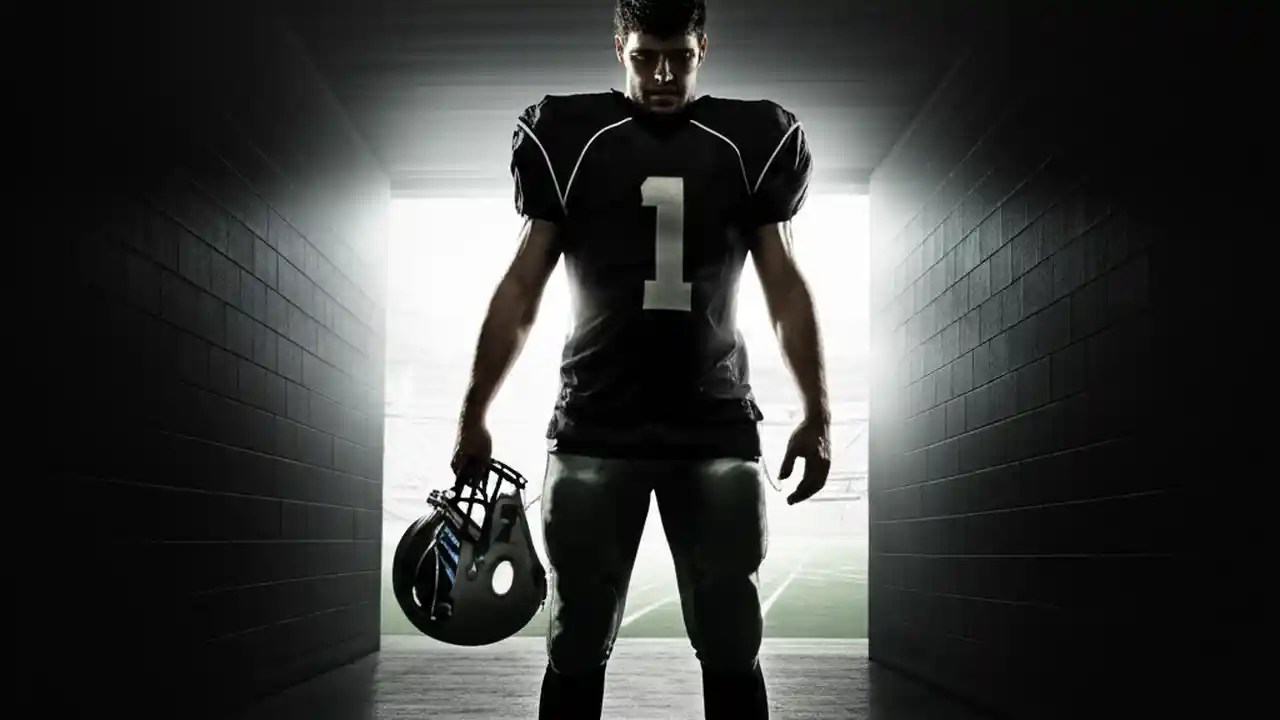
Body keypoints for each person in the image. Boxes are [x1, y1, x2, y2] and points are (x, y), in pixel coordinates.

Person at [450, 1, 831, 717]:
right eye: (645, 57)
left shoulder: (749, 141)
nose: (662, 75)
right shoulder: (570, 137)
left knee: (731, 633)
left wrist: (818, 412)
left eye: (679, 57)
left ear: (702, 48)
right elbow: (522, 287)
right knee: (577, 634)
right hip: (597, 421)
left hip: (713, 423)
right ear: (619, 45)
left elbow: (784, 286)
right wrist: (475, 412)